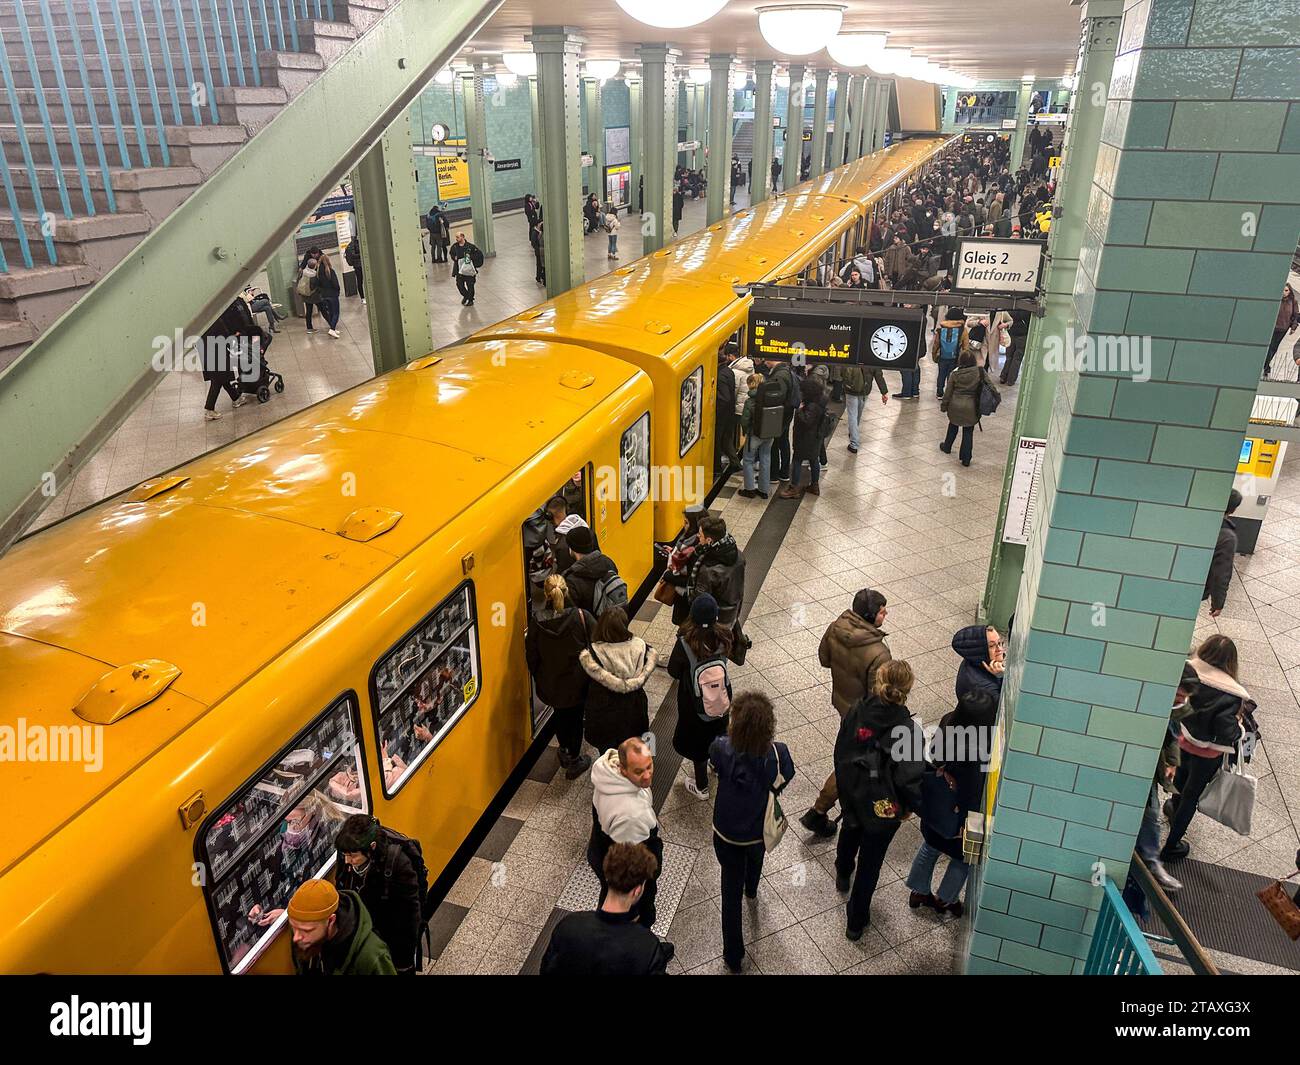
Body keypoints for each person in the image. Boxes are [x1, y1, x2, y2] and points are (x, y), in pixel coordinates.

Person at [834, 660, 925, 939]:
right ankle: (856, 921)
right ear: (907, 690)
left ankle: (843, 870)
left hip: (854, 793)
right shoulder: (908, 731)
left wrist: (846, 788)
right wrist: (909, 808)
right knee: (871, 864)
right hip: (884, 809)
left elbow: (841, 752)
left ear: (878, 682)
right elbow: (909, 778)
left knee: (849, 831)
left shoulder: (856, 711)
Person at [709, 692, 795, 972]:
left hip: (726, 831)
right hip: (759, 829)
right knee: (756, 858)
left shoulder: (722, 747)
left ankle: (733, 955)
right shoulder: (778, 754)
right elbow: (785, 779)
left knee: (728, 893)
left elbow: (714, 765)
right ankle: (752, 888)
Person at [800, 588, 892, 838]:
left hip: (843, 705)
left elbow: (824, 659)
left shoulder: (835, 627)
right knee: (850, 764)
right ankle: (818, 812)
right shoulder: (879, 653)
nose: (886, 614)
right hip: (863, 718)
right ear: (871, 615)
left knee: (850, 756)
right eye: (882, 611)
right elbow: (877, 697)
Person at [905, 688, 997, 917]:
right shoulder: (978, 752)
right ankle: (946, 899)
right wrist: (964, 825)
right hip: (966, 817)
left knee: (930, 846)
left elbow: (934, 754)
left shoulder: (948, 721)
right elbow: (971, 793)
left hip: (937, 804)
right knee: (964, 859)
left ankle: (919, 891)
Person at [1161, 636, 1251, 863]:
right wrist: (1240, 729)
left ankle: (1172, 807)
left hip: (1183, 742)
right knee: (1191, 796)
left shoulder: (1189, 674)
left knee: (1179, 784)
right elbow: (1227, 731)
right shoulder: (1231, 693)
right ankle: (1171, 846)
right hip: (1208, 755)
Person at [541, 843, 674, 974]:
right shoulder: (647, 947)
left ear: (606, 876)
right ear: (637, 890)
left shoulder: (569, 925)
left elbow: (547, 969)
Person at [524, 573, 595, 779]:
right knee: (575, 718)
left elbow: (532, 656)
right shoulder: (581, 617)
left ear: (545, 594)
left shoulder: (537, 622)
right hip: (578, 681)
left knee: (560, 715)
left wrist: (540, 676)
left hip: (551, 683)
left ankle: (564, 748)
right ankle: (573, 759)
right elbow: (597, 645)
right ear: (567, 591)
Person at [333, 814, 422, 973]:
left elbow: (410, 916)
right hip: (365, 934)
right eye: (344, 854)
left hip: (392, 938)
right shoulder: (347, 855)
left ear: (372, 847)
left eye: (352, 855)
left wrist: (404, 960)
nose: (347, 860)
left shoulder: (398, 865)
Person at [589, 738, 661, 927]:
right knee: (632, 915)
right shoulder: (631, 815)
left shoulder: (607, 774)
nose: (647, 775)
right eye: (639, 771)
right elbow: (632, 868)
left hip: (600, 849)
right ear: (623, 770)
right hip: (622, 868)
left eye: (649, 766)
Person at [669, 594, 734, 800]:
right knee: (718, 733)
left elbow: (673, 670)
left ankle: (702, 787)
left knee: (698, 745)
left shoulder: (685, 643)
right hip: (721, 698)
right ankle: (717, 765)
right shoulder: (725, 637)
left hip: (694, 704)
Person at [579, 607, 658, 755]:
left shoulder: (593, 652)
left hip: (603, 711)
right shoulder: (640, 645)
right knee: (635, 746)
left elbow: (583, 685)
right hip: (634, 707)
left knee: (608, 753)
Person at [287, 878, 397, 975]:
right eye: (293, 927)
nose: (296, 938)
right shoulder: (304, 935)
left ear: (331, 921)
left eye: (306, 931)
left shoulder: (371, 956)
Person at [940, 349, 997, 467]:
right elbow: (991, 387)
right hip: (972, 406)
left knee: (953, 425)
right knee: (968, 431)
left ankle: (947, 446)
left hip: (955, 405)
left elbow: (948, 392)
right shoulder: (980, 372)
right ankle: (966, 458)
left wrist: (944, 406)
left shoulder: (955, 374)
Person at [687, 515, 745, 628]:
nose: (698, 536)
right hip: (734, 607)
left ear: (709, 540)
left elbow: (700, 599)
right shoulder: (738, 554)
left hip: (717, 616)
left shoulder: (709, 570)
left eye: (700, 534)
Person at [199, 299, 253, 420]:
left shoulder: (202, 321)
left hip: (211, 351)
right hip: (216, 352)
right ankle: (209, 409)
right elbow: (221, 335)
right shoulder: (213, 320)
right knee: (218, 380)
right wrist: (233, 336)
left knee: (223, 378)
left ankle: (236, 399)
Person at [780, 376, 827, 499]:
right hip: (816, 437)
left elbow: (806, 421)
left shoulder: (811, 406)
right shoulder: (821, 401)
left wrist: (800, 410)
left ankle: (794, 488)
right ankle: (814, 485)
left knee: (796, 461)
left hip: (805, 439)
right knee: (814, 459)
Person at [563, 525, 621, 615]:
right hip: (609, 620)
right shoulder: (608, 562)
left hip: (591, 626)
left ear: (572, 549)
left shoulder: (572, 581)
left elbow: (571, 615)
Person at [1203, 489, 1242, 618]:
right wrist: (1218, 603)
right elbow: (1221, 572)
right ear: (1233, 510)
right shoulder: (1227, 537)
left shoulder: (1199, 521)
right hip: (1196, 587)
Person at [738, 371, 774, 499]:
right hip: (769, 433)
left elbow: (745, 420)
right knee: (765, 458)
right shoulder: (771, 396)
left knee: (748, 460)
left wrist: (745, 431)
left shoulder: (751, 401)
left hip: (755, 434)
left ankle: (749, 489)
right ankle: (764, 490)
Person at [840, 361, 888, 454]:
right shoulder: (871, 358)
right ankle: (854, 433)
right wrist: (884, 392)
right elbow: (878, 375)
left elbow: (842, 371)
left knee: (852, 415)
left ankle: (854, 443)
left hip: (850, 391)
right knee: (857, 415)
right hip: (865, 390)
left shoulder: (852, 353)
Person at [762, 357, 797, 483]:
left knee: (775, 444)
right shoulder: (787, 371)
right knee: (784, 442)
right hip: (787, 413)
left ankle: (774, 474)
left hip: (780, 415)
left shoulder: (780, 375)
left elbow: (777, 397)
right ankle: (784, 472)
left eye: (766, 360)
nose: (765, 363)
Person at [952, 624, 1005, 702]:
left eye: (1000, 642)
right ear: (980, 651)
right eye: (992, 646)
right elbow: (1006, 706)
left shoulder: (974, 660)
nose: (1000, 649)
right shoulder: (984, 688)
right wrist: (1002, 676)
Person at [931, 308, 968, 399]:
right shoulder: (963, 330)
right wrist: (963, 359)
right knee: (952, 375)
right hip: (955, 357)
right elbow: (966, 347)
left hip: (942, 357)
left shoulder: (940, 329)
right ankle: (950, 393)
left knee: (941, 374)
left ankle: (939, 392)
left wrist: (934, 356)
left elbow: (935, 345)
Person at [1265, 282, 1299, 376]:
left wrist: (1293, 327)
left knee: (1274, 348)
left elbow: (1295, 315)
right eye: (1283, 290)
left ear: (1289, 291)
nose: (1284, 292)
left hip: (1282, 329)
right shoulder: (1276, 299)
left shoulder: (1293, 301)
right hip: (1272, 328)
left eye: (1286, 290)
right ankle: (1266, 367)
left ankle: (1266, 365)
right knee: (1269, 347)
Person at [716, 345, 739, 473]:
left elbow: (724, 398)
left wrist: (716, 411)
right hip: (730, 411)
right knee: (726, 439)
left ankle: (717, 467)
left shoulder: (720, 375)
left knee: (719, 440)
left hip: (723, 415)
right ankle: (735, 463)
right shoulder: (729, 371)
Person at [449, 232, 482, 306]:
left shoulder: (470, 247)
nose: (456, 239)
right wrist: (454, 257)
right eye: (456, 237)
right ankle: (466, 296)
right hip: (459, 270)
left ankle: (470, 300)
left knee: (470, 285)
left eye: (458, 237)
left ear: (463, 237)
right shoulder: (454, 246)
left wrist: (472, 260)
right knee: (459, 285)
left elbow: (478, 255)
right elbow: (451, 253)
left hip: (469, 270)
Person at [343, 238, 365, 305]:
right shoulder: (353, 244)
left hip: (359, 265)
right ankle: (362, 298)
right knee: (360, 281)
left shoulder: (354, 243)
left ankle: (363, 298)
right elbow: (353, 255)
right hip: (358, 266)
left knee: (360, 281)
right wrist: (362, 254)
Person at [530, 219, 546, 286]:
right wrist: (538, 249)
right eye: (541, 223)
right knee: (540, 265)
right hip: (539, 252)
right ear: (538, 224)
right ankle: (539, 277)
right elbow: (533, 243)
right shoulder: (535, 232)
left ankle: (540, 277)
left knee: (541, 265)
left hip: (540, 251)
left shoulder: (540, 232)